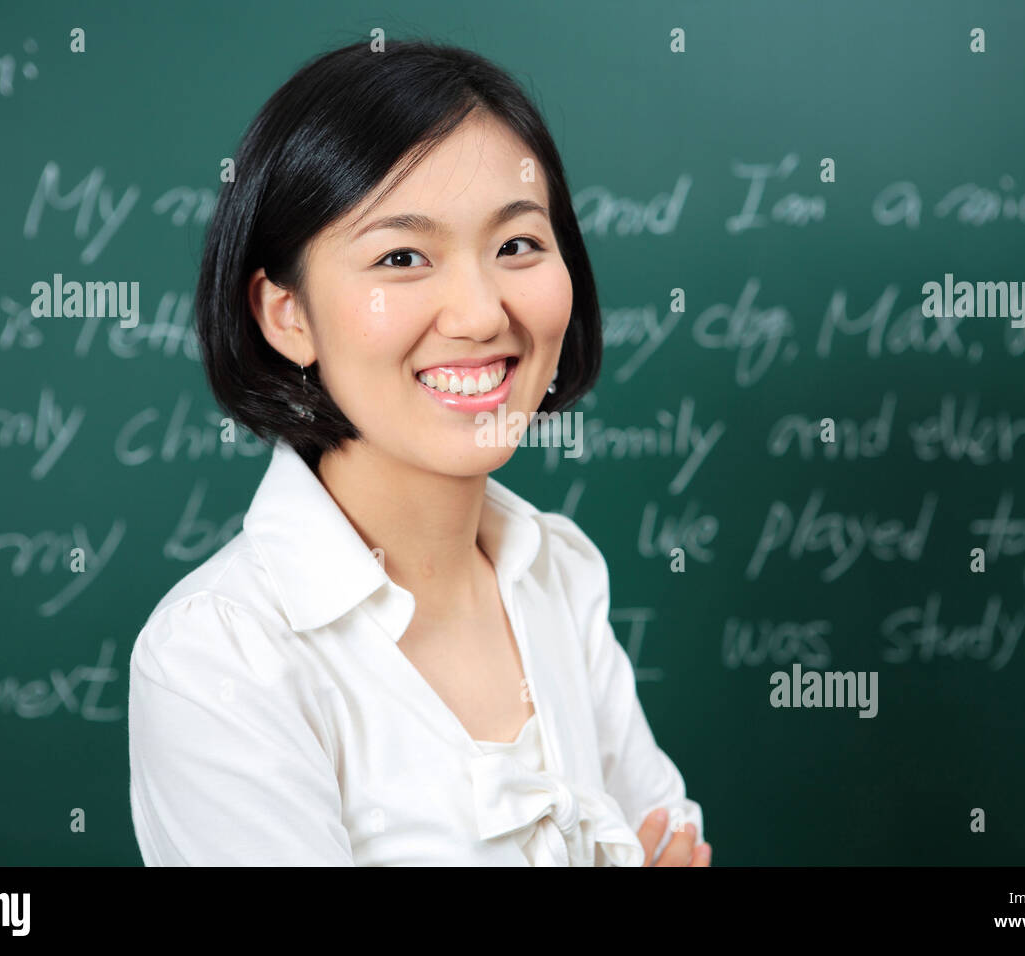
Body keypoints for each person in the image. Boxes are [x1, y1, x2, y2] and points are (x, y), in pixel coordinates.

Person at [128, 38, 708, 866]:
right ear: (287, 314)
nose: (479, 314)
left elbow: (675, 838)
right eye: (402, 258)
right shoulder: (220, 655)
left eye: (518, 246)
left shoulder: (558, 574)